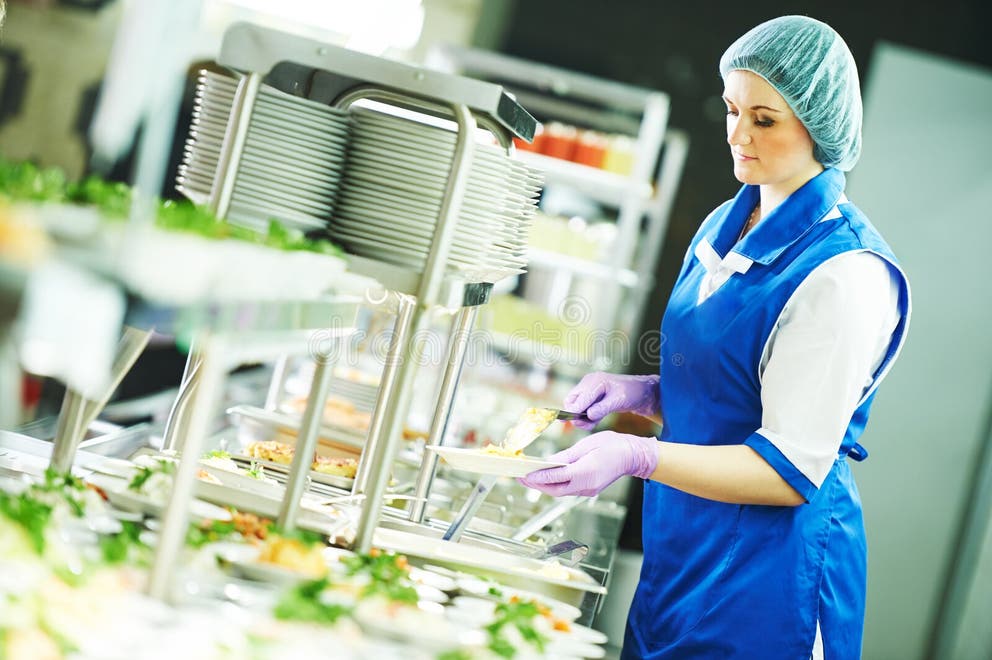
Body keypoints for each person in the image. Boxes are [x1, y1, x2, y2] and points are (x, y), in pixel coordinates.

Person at [519, 15, 911, 660]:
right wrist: (646, 392)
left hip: (773, 574)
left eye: (764, 119)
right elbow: (733, 388)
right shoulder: (721, 228)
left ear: (819, 126)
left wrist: (638, 456)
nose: (737, 134)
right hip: (684, 546)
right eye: (731, 109)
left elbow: (789, 471)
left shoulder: (844, 275)